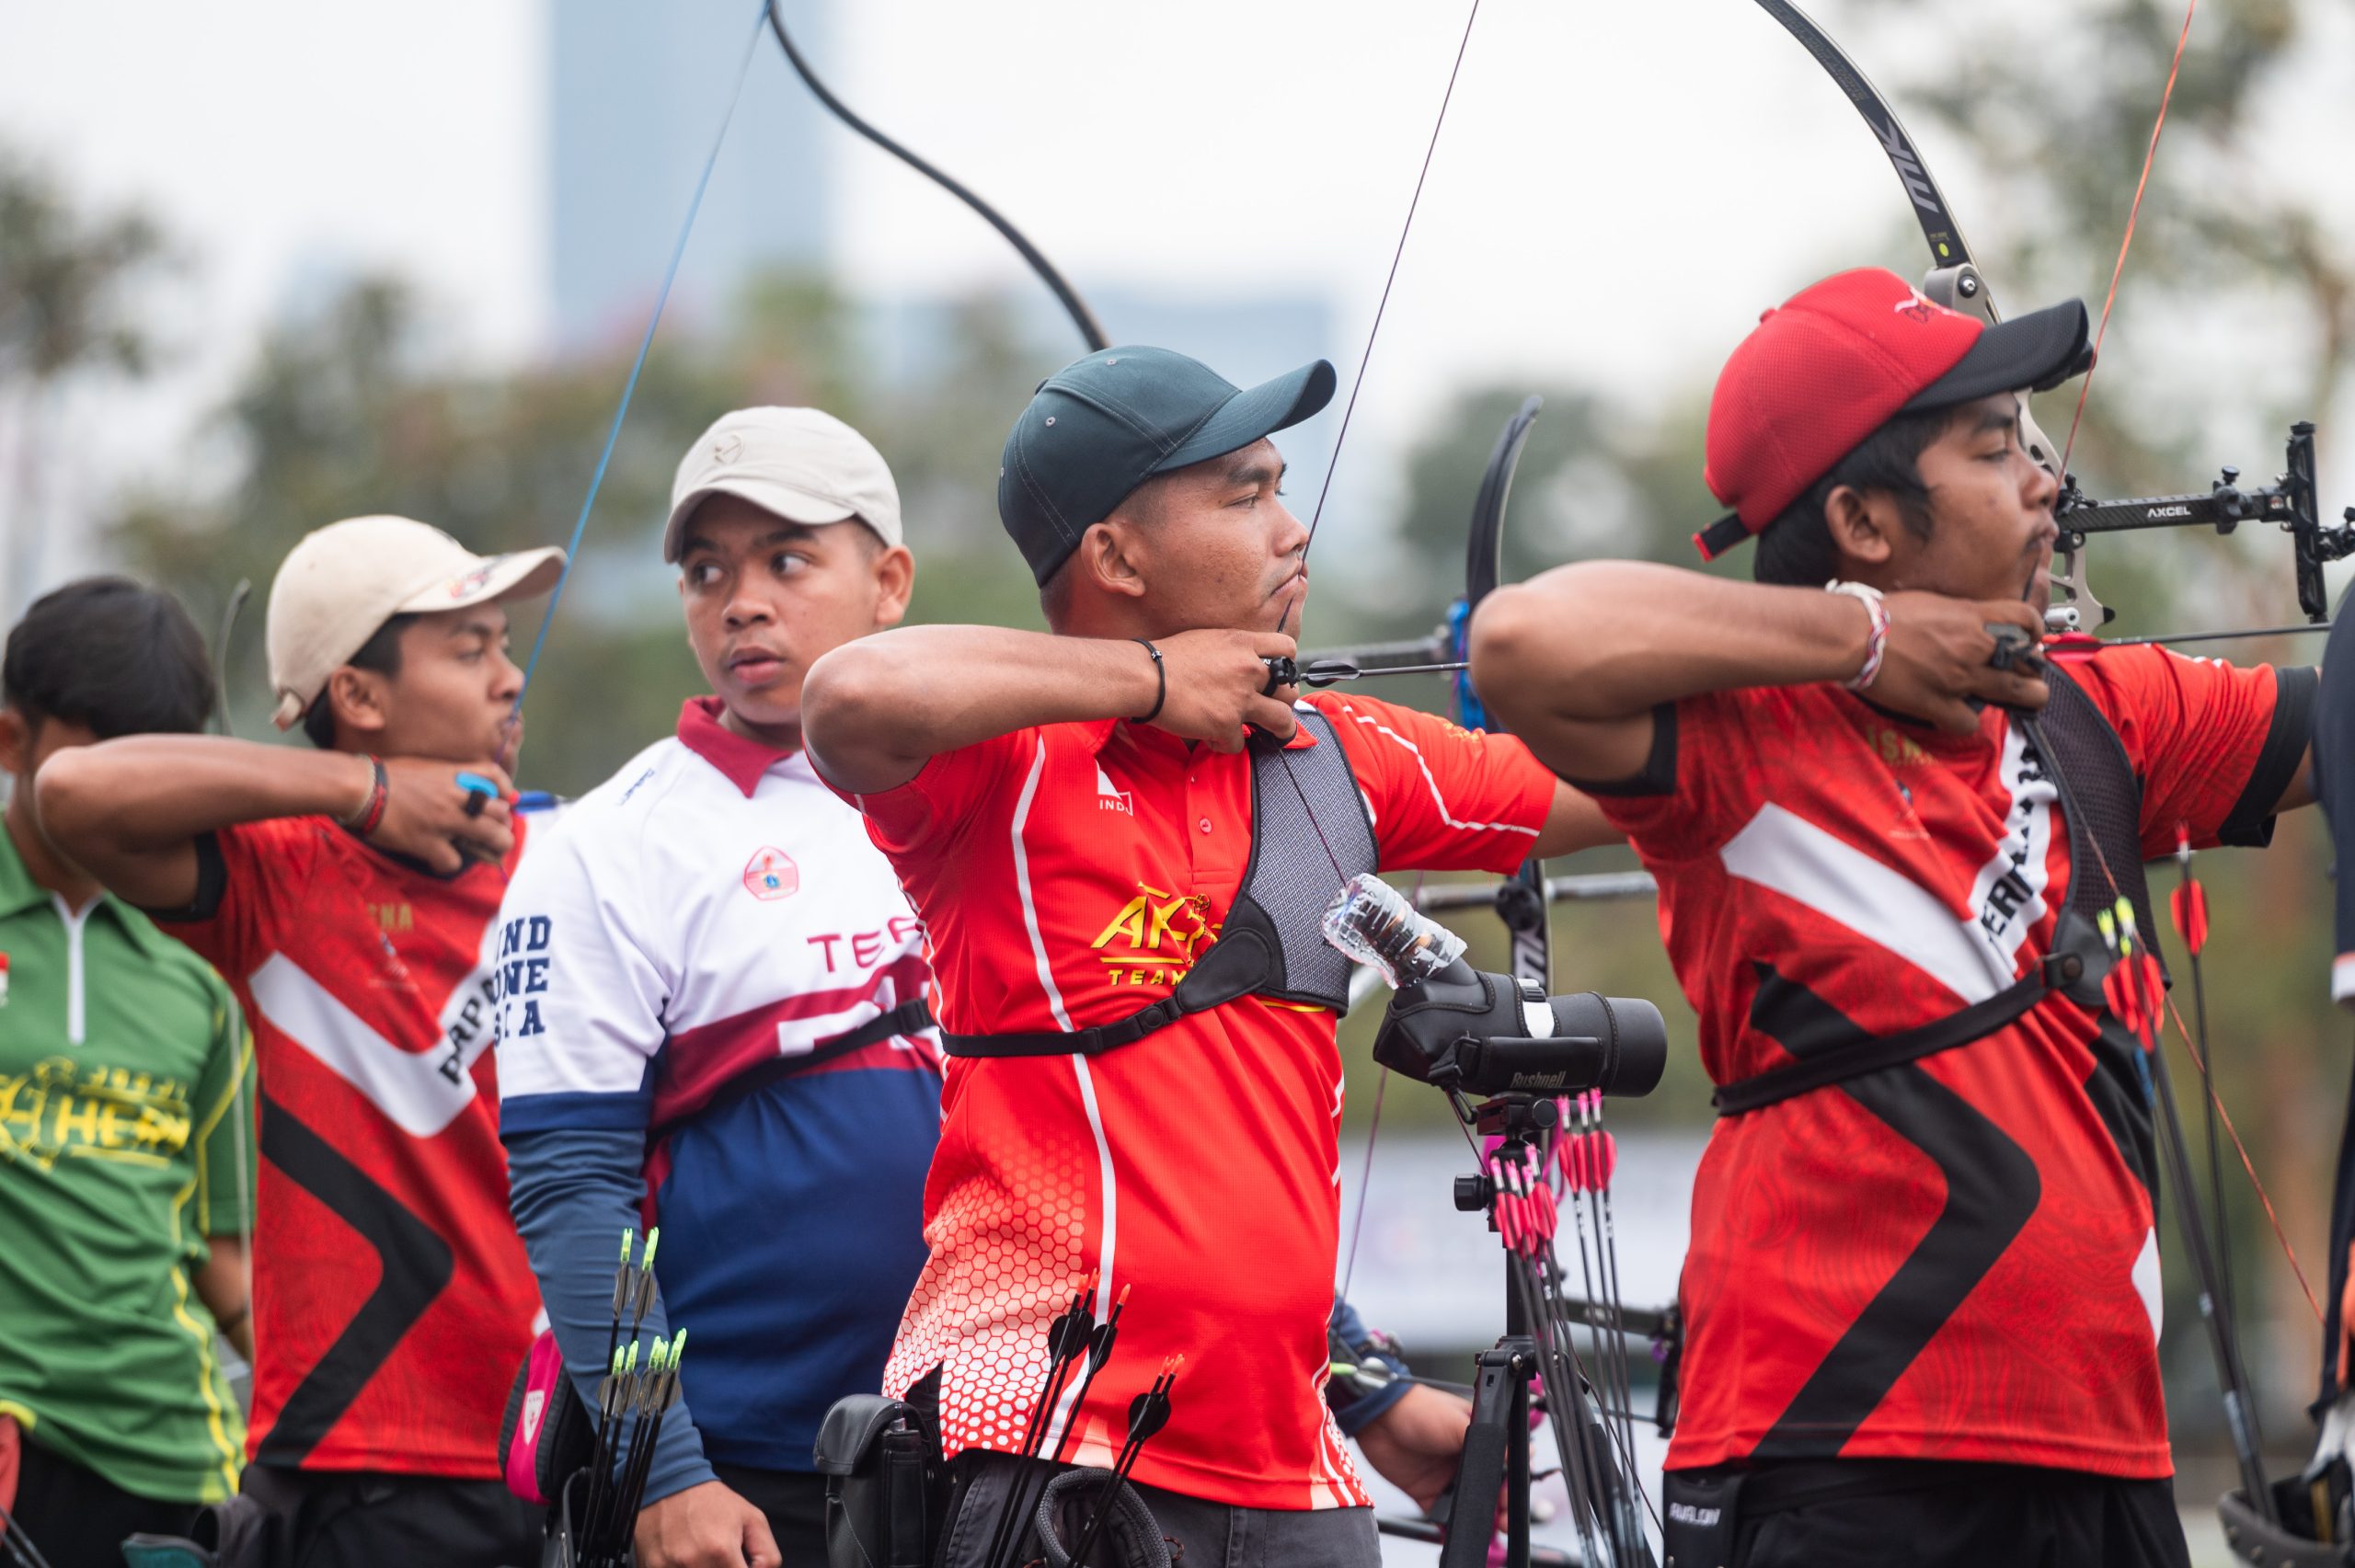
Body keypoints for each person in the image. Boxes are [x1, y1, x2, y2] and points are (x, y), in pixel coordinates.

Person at [1464, 267, 2319, 1568]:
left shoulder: (2100, 713)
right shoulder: (1741, 741)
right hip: (1842, 1451)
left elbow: (2338, 726)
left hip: (2105, 1456)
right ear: (1863, 523)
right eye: (1993, 448)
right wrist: (1862, 640)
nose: (2044, 482)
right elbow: (1522, 642)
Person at [800, 345, 1621, 1567]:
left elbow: (1628, 780)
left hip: (1295, 1461)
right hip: (1041, 1434)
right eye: (1243, 493)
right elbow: (849, 696)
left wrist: (1859, 651)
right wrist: (1146, 679)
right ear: (1117, 558)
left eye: (1283, 486)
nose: (1292, 529)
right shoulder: (1006, 766)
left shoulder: (1337, 754)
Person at [36, 517, 567, 1567]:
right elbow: (70, 796)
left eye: (506, 645)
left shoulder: (572, 855)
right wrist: (361, 791)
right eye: (470, 649)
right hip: (373, 1456)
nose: (509, 677)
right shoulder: (284, 875)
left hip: (565, 1441)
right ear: (359, 698)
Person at [495, 407, 944, 1568]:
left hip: (996, 1451)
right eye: (707, 571)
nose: (740, 600)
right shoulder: (607, 844)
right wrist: (661, 1466)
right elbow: (573, 1190)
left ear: (888, 580)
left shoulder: (994, 787)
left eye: (787, 560)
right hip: (743, 1482)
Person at [0, 578, 254, 1567]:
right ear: (12, 742)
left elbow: (222, 1256)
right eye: (97, 757)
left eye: (156, 763)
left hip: (178, 1454)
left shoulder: (205, 975)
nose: (127, 791)